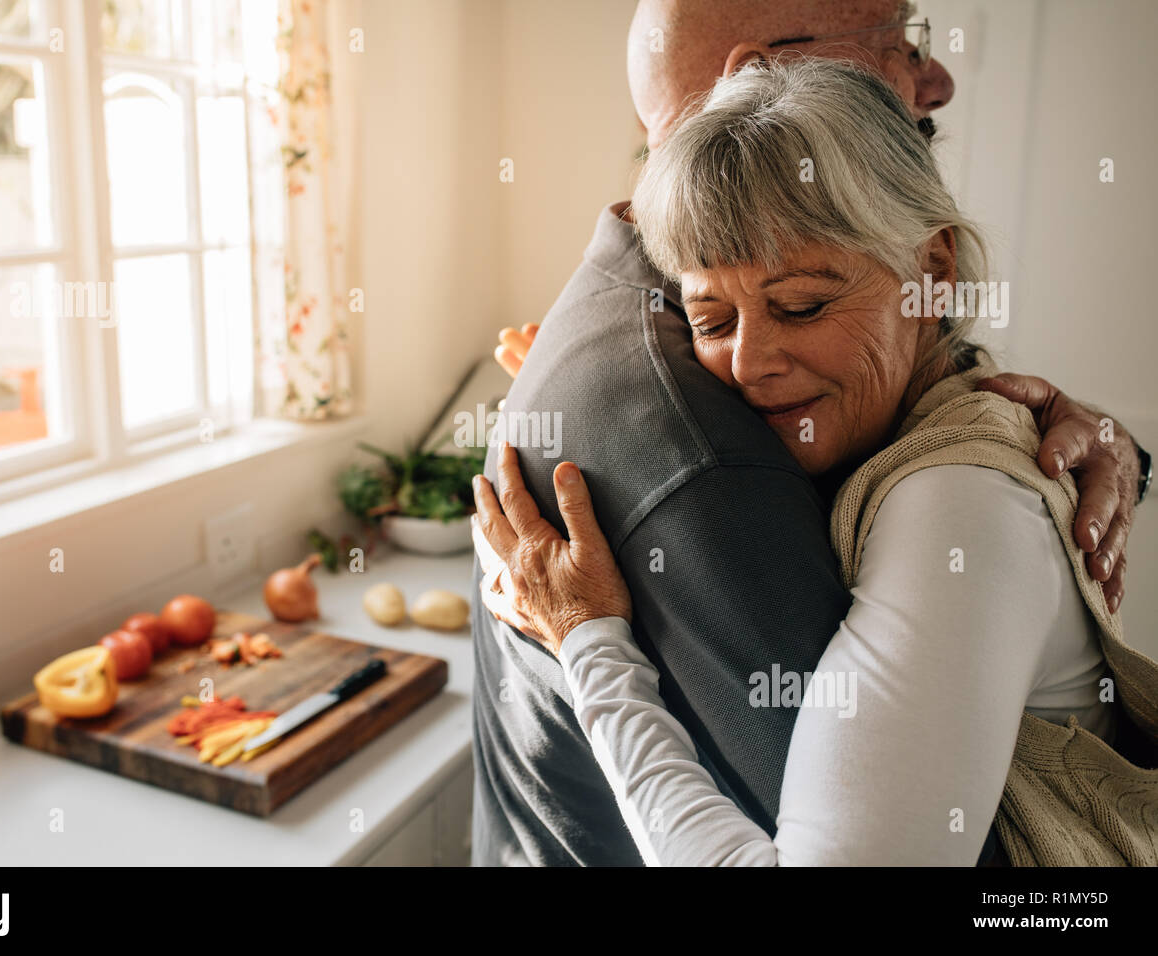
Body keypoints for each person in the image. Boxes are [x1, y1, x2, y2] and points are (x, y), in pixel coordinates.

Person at [471, 0, 1149, 866]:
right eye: (710, 321)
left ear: (932, 271)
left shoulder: (958, 508)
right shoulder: (877, 411)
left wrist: (589, 642)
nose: (750, 366)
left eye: (802, 306)